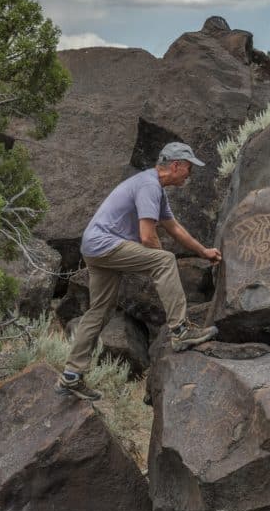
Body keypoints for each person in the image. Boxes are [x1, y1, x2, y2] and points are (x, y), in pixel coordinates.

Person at [57, 142, 223, 400]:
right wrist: (156, 263)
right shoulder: (149, 185)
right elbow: (147, 237)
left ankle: (71, 375)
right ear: (176, 165)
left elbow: (174, 228)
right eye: (188, 168)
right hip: (105, 245)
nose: (190, 174)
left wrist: (204, 252)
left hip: (94, 247)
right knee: (164, 260)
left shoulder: (154, 188)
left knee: (100, 310)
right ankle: (180, 331)